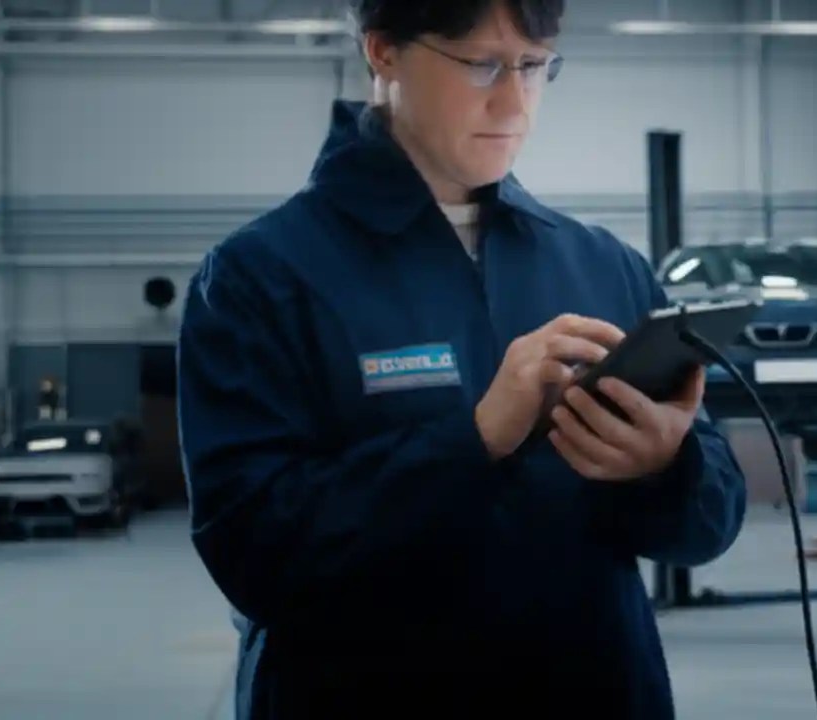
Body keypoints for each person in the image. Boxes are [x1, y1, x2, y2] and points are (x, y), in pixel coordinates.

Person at [175, 1, 747, 718]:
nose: (515, 102)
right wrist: (472, 441)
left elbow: (711, 525)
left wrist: (668, 466)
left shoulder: (604, 266)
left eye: (535, 66)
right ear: (383, 51)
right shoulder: (261, 278)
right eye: (482, 64)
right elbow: (253, 553)